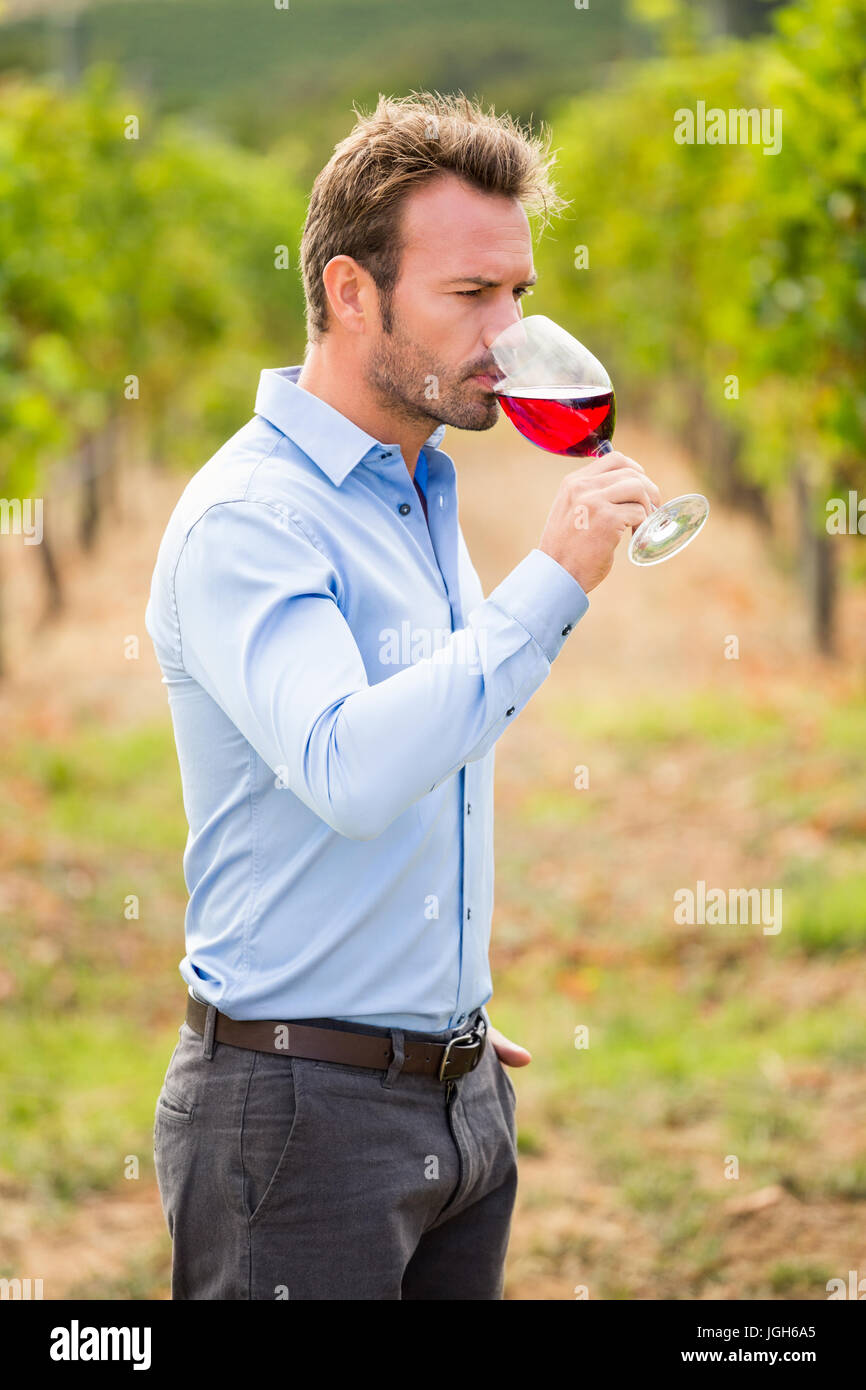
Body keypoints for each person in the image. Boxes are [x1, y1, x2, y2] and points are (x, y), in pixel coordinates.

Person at [144, 90, 660, 1301]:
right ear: (348, 291)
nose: (509, 333)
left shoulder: (415, 489)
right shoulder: (251, 520)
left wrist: (434, 1011)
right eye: (470, 297)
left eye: (519, 293)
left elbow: (433, 740)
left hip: (455, 1090)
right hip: (299, 1124)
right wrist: (553, 579)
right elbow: (352, 768)